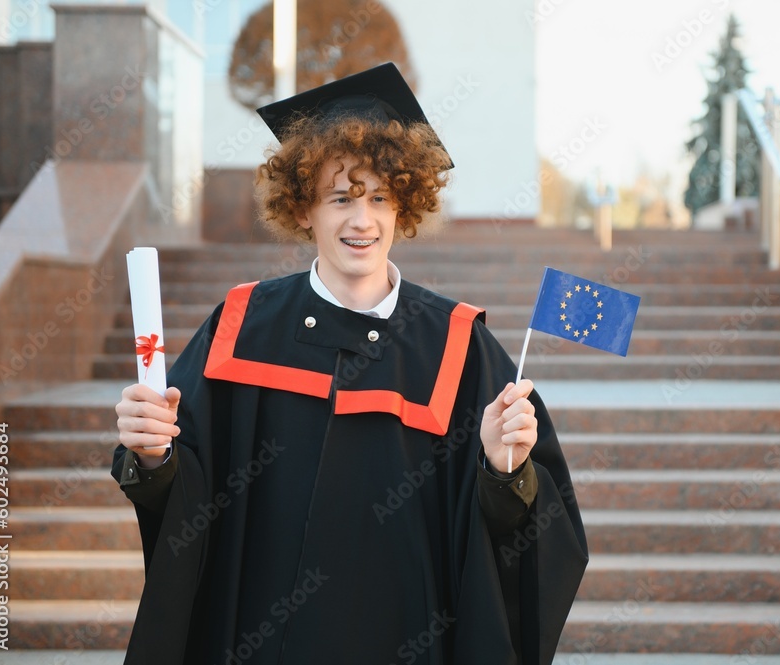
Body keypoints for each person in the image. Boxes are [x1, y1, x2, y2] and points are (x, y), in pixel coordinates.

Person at [112, 62, 588, 665]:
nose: (362, 221)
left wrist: (504, 471)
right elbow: (185, 491)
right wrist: (152, 453)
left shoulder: (458, 345)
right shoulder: (242, 326)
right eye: (340, 198)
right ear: (303, 209)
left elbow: (532, 531)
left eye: (380, 198)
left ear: (403, 208)